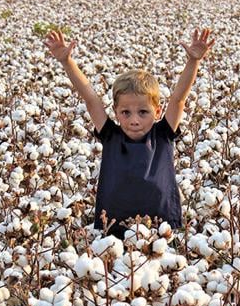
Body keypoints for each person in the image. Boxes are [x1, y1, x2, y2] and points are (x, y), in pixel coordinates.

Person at [44, 28, 216, 237]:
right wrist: (67, 62)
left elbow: (179, 99)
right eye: (126, 112)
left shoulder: (162, 134)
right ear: (115, 112)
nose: (134, 120)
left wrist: (193, 62)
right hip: (115, 226)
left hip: (160, 225)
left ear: (157, 111)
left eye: (143, 112)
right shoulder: (111, 135)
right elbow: (90, 99)